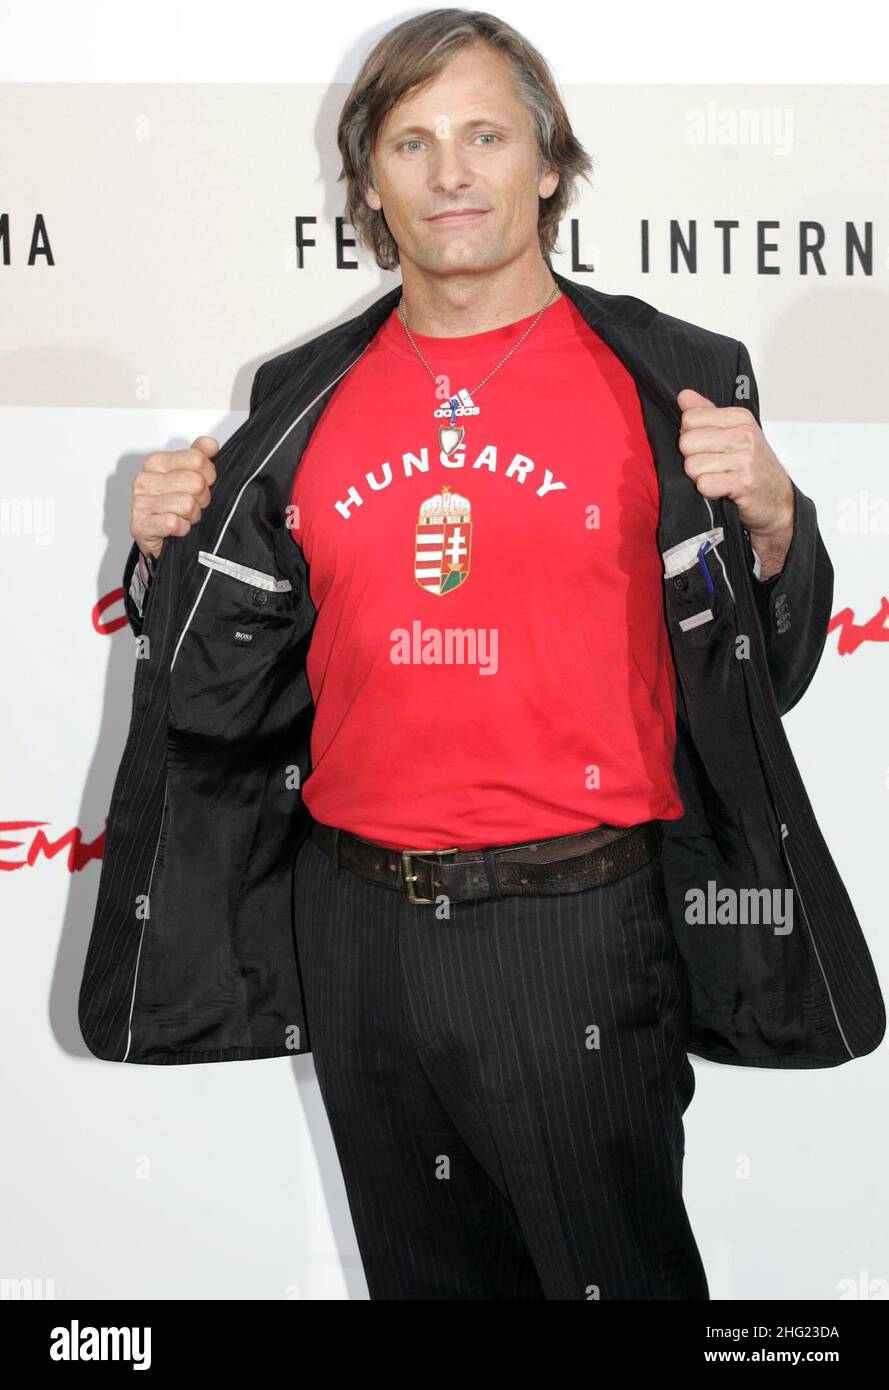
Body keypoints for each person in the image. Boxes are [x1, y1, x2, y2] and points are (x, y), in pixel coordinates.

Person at [82, 9, 884, 1300]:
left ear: (546, 163)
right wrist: (166, 552)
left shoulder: (670, 382)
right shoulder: (298, 396)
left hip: (574, 930)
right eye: (411, 141)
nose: (449, 171)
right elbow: (215, 694)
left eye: (482, 135)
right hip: (354, 934)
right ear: (369, 185)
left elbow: (764, 678)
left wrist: (780, 524)